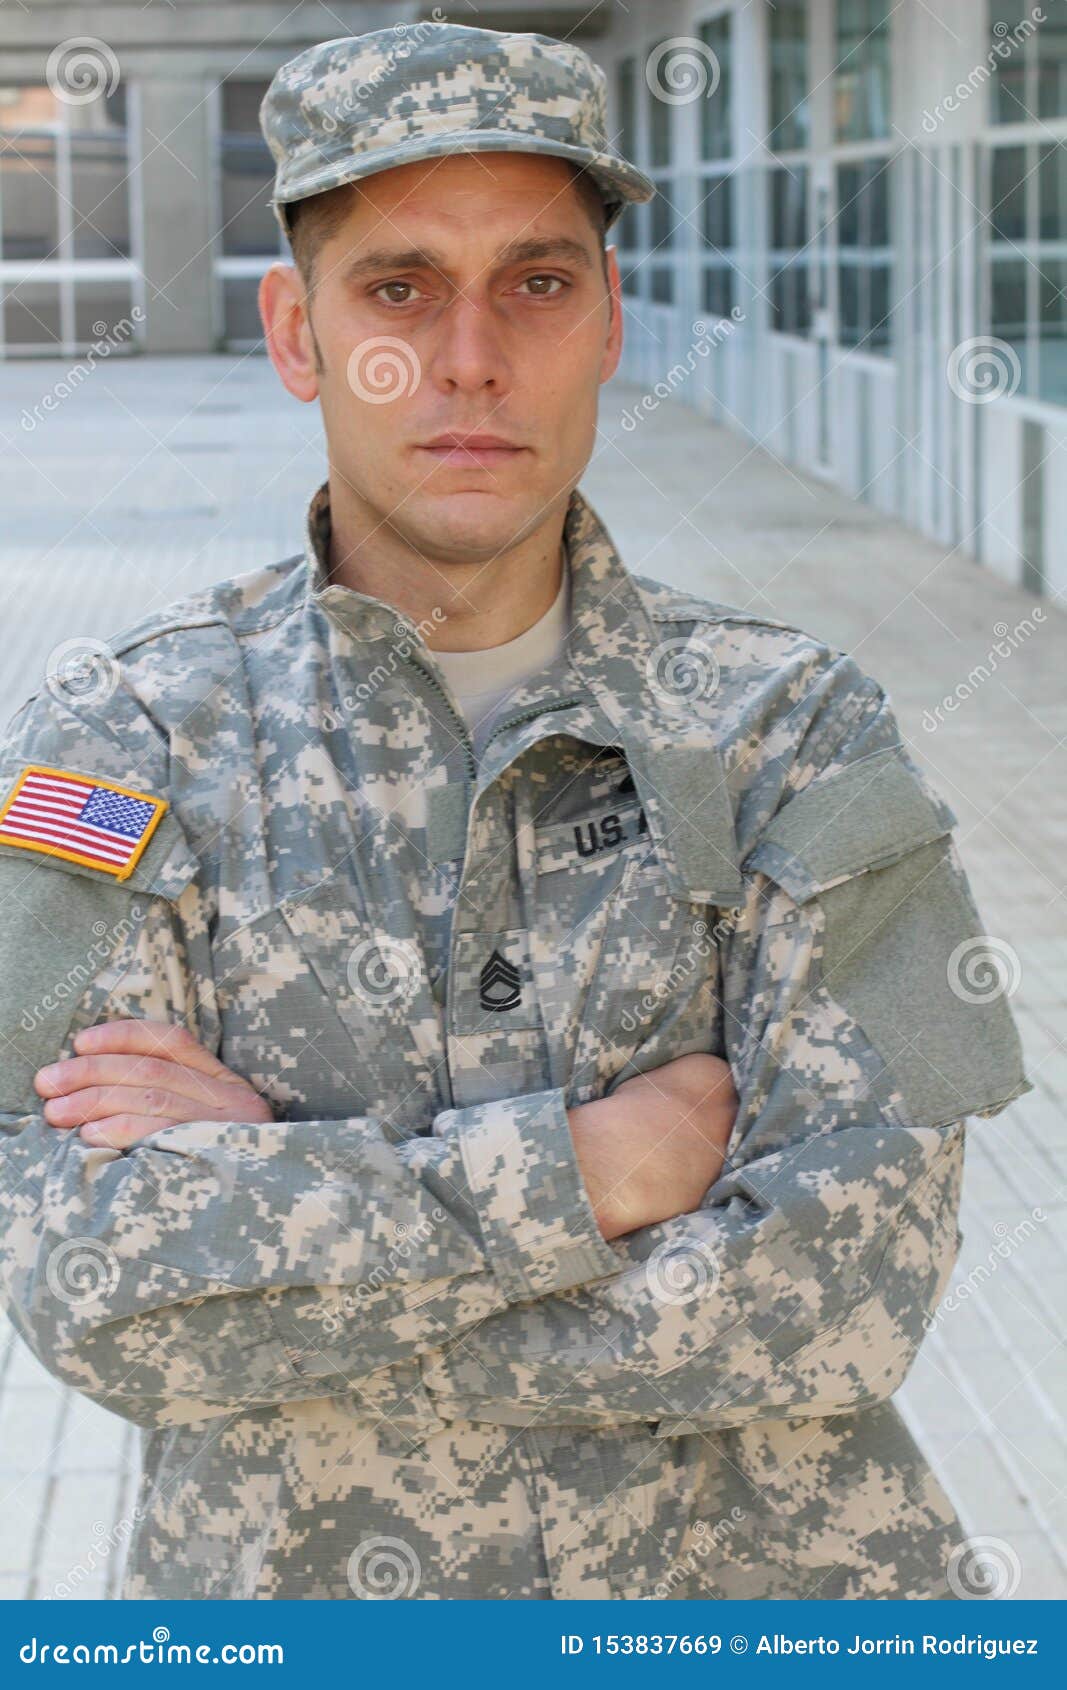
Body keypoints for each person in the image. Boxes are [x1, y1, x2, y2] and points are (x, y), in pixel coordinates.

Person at [0, 23, 1031, 1601]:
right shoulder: (125, 741)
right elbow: (94, 1289)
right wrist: (597, 1166)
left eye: (538, 282)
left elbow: (852, 1290)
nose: (469, 356)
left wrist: (281, 1194)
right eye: (398, 287)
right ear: (298, 334)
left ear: (610, 319)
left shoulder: (790, 728)